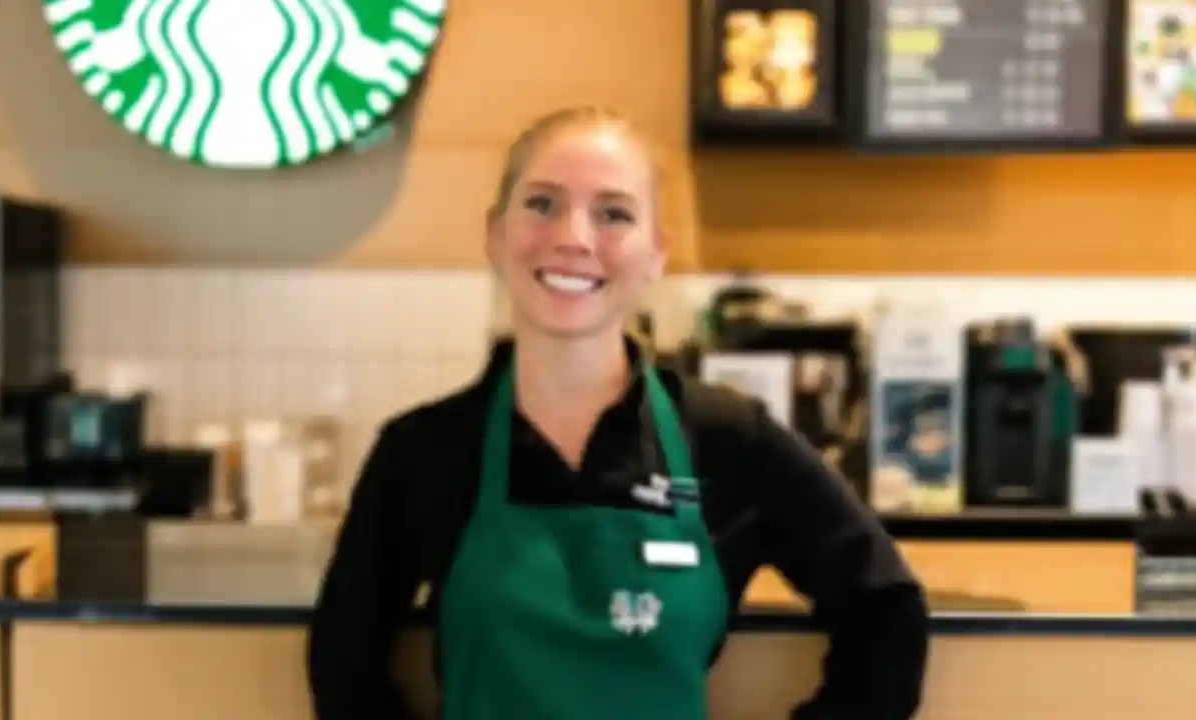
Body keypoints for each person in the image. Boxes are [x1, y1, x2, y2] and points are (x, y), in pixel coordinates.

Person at [306, 105, 930, 720]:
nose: (572, 237)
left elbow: (886, 609)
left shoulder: (729, 439)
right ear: (495, 233)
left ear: (655, 254)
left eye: (613, 214)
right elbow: (342, 665)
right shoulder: (423, 452)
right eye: (542, 204)